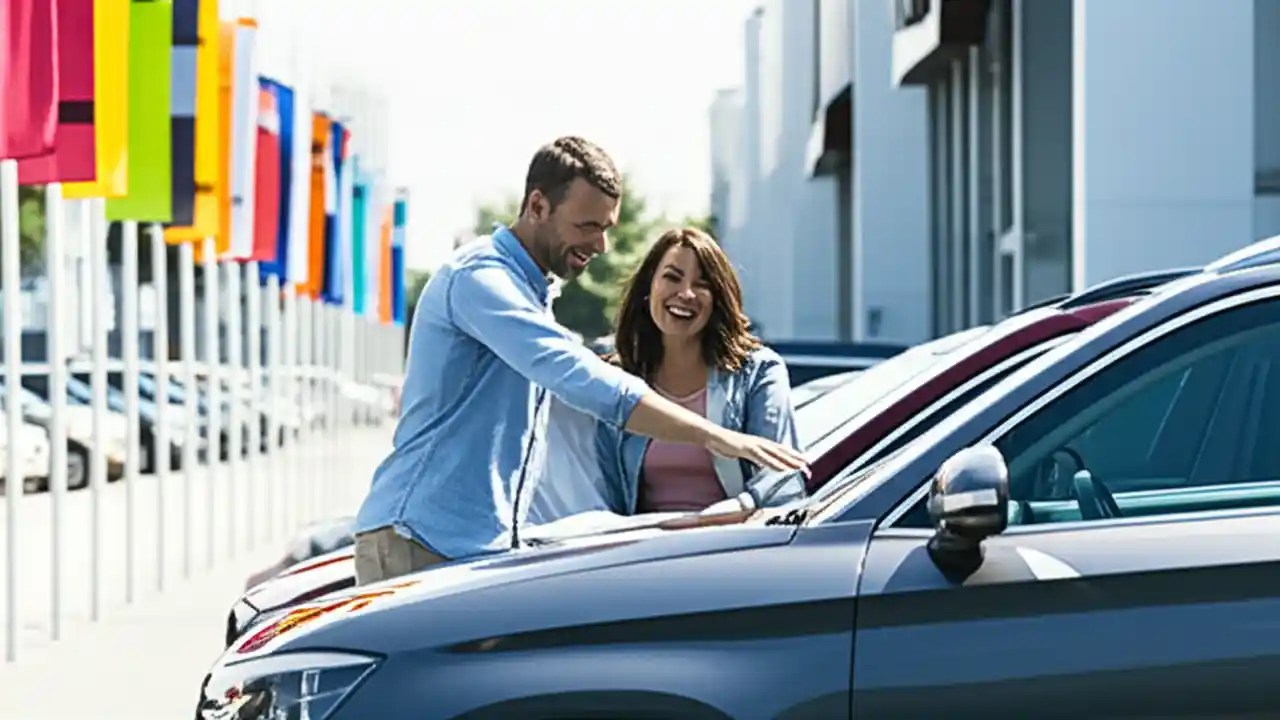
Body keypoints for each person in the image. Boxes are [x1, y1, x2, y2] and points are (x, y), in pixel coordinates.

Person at [352, 136, 807, 586]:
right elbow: (578, 376)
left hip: (469, 547)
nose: (603, 244)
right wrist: (717, 436)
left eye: (607, 226)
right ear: (537, 206)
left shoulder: (530, 292)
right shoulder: (482, 280)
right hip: (419, 541)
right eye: (588, 226)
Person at [541, 227, 804, 519]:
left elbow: (783, 482)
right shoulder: (618, 378)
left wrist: (714, 517)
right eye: (672, 277)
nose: (686, 293)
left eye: (703, 284)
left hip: (734, 546)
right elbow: (602, 489)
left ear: (718, 298)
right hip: (641, 552)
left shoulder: (758, 372)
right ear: (648, 289)